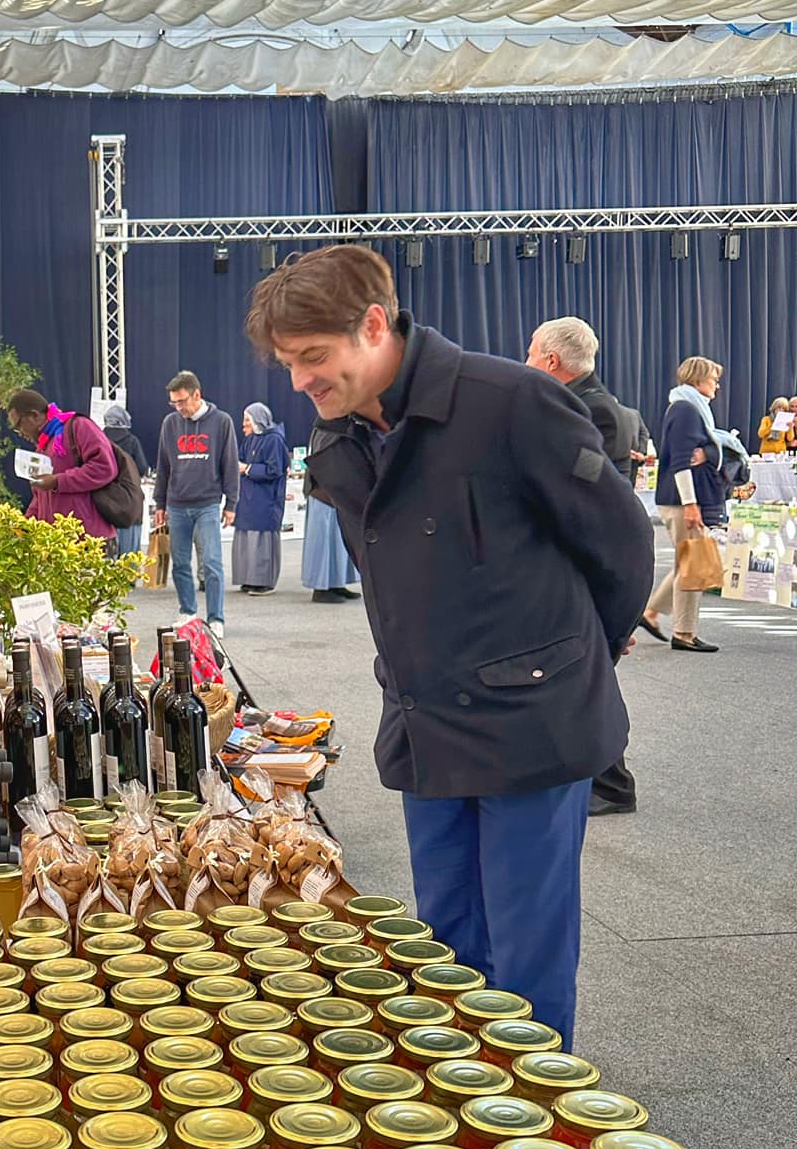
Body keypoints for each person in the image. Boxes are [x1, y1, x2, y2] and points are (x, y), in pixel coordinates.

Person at [246, 246, 653, 1048]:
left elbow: (622, 544)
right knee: (445, 954)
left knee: (528, 967)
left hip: (533, 725)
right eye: (288, 364)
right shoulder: (337, 443)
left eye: (313, 359)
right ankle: (464, 1140)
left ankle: (536, 1147)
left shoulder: (512, 403)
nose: (299, 382)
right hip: (425, 722)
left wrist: (573, 662)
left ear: (372, 325)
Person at [525, 317, 641, 819]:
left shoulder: (588, 410)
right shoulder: (586, 405)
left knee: (586, 679)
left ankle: (612, 783)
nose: (525, 363)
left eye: (531, 354)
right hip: (579, 566)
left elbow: (591, 510)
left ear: (551, 361)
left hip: (584, 569)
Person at [642, 356, 727, 655]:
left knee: (685, 563)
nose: (717, 384)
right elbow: (681, 463)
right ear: (698, 379)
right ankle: (685, 633)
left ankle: (651, 613)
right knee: (694, 564)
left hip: (680, 501)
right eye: (713, 379)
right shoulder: (687, 410)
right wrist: (691, 504)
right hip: (682, 502)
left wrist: (706, 452)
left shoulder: (690, 408)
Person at [153, 372, 239, 638]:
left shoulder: (221, 421)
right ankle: (188, 612)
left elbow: (230, 464)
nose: (179, 408)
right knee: (180, 562)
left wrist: (231, 503)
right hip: (177, 504)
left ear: (197, 394)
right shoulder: (170, 423)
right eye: (174, 403)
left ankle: (215, 618)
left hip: (208, 504)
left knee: (212, 562)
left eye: (182, 402)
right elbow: (163, 465)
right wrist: (160, 503)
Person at [4, 389, 119, 543]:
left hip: (90, 542)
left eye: (19, 425)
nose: (20, 432)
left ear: (35, 416)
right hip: (59, 544)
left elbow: (105, 467)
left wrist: (58, 482)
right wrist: (23, 528)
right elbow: (40, 498)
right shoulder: (43, 446)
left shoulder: (79, 426)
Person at [301, 434, 362, 606]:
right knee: (323, 542)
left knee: (338, 541)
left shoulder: (336, 425)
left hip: (337, 494)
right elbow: (323, 461)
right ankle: (321, 588)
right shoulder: (327, 427)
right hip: (324, 493)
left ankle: (336, 583)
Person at [233, 403, 288, 592]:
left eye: (247, 420)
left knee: (262, 540)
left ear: (258, 420)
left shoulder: (274, 440)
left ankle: (263, 582)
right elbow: (238, 460)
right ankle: (248, 578)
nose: (244, 424)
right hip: (247, 498)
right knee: (246, 540)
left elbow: (275, 469)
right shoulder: (249, 440)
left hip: (266, 499)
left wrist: (247, 469)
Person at [99, 403, 148, 556]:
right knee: (129, 555)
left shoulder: (97, 440)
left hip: (103, 502)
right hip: (129, 503)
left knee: (107, 555)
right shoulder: (132, 441)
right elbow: (141, 468)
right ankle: (129, 580)